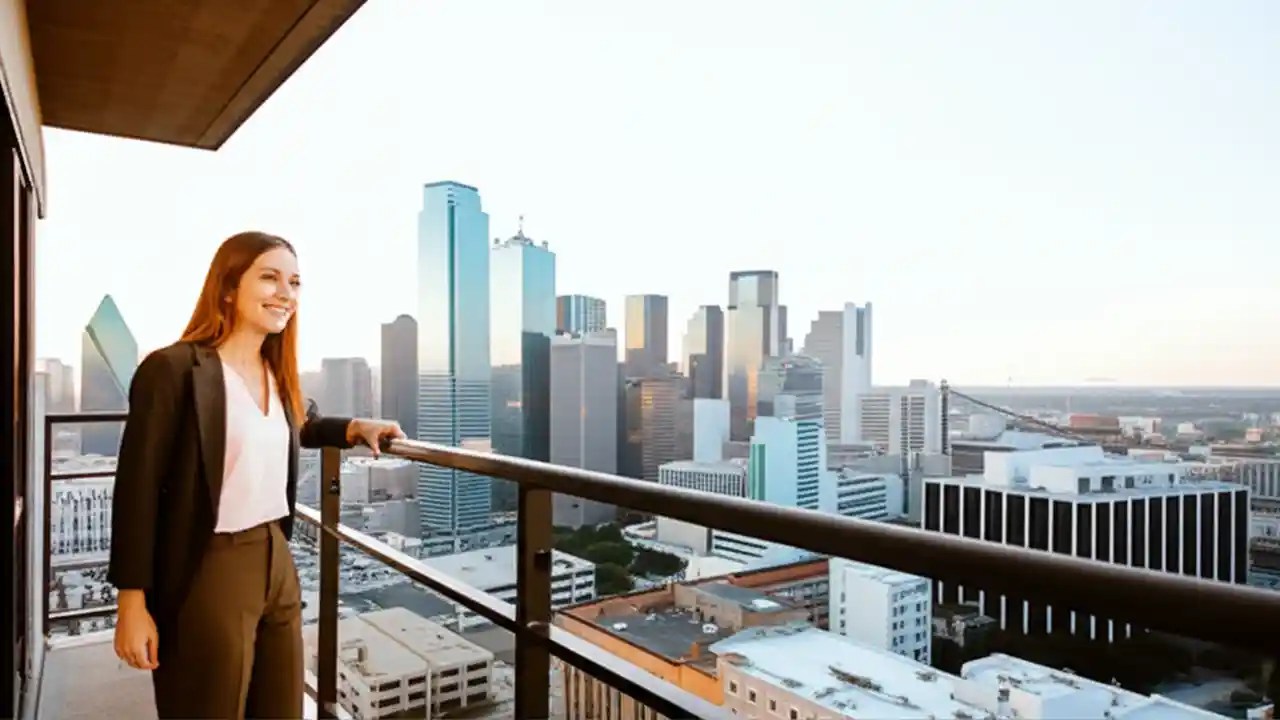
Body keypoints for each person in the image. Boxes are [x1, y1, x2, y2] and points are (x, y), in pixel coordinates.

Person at [106, 231, 405, 719]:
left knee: (282, 709)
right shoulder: (174, 369)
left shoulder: (277, 374)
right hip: (211, 563)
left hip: (277, 560)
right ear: (228, 287)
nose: (286, 293)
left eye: (294, 282)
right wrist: (131, 604)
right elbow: (136, 490)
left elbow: (302, 423)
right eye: (269, 277)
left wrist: (354, 427)